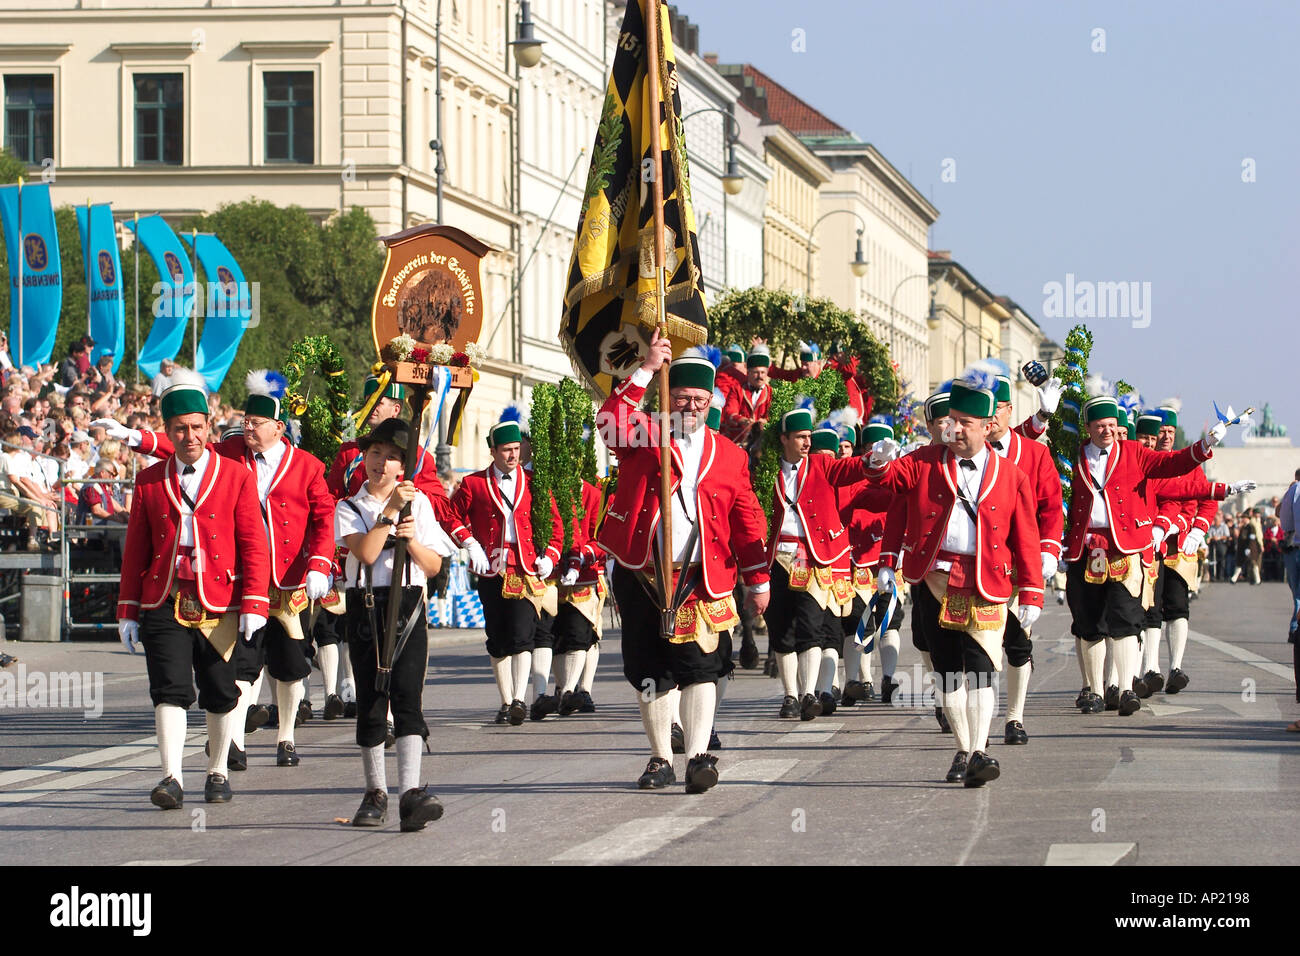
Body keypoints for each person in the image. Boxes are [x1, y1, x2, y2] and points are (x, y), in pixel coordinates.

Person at [99, 370, 338, 769]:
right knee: (244, 664)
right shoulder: (230, 456)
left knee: (292, 663)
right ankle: (232, 746)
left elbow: (323, 517)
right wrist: (132, 437)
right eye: (244, 420)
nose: (247, 427)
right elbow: (183, 446)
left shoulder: (307, 466)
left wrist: (319, 563)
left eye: (256, 422)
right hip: (237, 581)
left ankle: (287, 735)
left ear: (278, 428)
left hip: (290, 576)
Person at [596, 330, 770, 793]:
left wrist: (757, 577)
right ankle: (659, 758)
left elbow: (748, 517)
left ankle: (697, 757)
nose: (690, 406)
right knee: (650, 670)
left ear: (709, 401)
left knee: (701, 667)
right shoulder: (643, 435)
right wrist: (648, 367)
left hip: (701, 576)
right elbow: (608, 418)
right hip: (644, 575)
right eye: (681, 397)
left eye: (698, 399)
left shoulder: (730, 454)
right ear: (667, 397)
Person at [860, 364, 1044, 787]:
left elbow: (1027, 535)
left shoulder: (1012, 474)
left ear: (985, 427)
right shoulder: (923, 461)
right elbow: (889, 485)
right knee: (947, 673)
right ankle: (965, 747)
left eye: (965, 423)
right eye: (951, 422)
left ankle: (979, 751)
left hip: (987, 581)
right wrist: (877, 460)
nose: (955, 430)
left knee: (982, 669)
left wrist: (1032, 590)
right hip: (935, 579)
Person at [116, 370, 270, 809]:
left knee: (222, 690)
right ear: (167, 431)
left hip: (220, 600)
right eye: (180, 428)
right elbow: (135, 551)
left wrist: (256, 602)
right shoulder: (148, 482)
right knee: (169, 689)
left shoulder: (237, 476)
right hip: (163, 597)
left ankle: (217, 769)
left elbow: (253, 543)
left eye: (197, 426)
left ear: (210, 426)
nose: (190, 436)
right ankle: (170, 778)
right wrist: (128, 610)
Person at [1064, 395, 1225, 717]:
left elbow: (1173, 464)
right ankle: (1095, 690)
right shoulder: (1074, 455)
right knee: (1089, 623)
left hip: (1126, 547)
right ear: (1088, 428)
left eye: (1112, 425)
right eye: (1100, 426)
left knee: (1125, 620)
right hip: (1085, 547)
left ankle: (1125, 688)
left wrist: (1204, 444)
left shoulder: (1135, 453)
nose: (1107, 431)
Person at [335, 418, 448, 831]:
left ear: (404, 466)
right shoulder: (349, 507)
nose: (381, 463)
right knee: (371, 698)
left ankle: (411, 792)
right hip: (366, 605)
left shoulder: (420, 505)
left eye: (391, 457)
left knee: (406, 696)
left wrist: (411, 539)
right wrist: (387, 515)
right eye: (375, 454)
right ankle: (375, 790)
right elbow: (364, 553)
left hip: (409, 606)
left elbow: (433, 565)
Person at [448, 410, 562, 725]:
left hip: (525, 568)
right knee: (497, 637)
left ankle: (519, 701)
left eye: (516, 449)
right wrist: (469, 543)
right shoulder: (473, 484)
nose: (513, 455)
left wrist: (550, 556)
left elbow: (555, 525)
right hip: (490, 568)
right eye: (506, 450)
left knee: (523, 634)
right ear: (493, 452)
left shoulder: (536, 482)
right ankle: (506, 699)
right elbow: (450, 516)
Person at [763, 398, 867, 720]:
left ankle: (809, 693)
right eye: (800, 437)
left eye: (809, 436)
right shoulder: (766, 472)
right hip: (777, 556)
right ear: (784, 439)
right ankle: (790, 695)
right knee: (781, 628)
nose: (808, 442)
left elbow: (848, 468)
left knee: (810, 624)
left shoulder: (821, 465)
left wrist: (874, 460)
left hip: (812, 555)